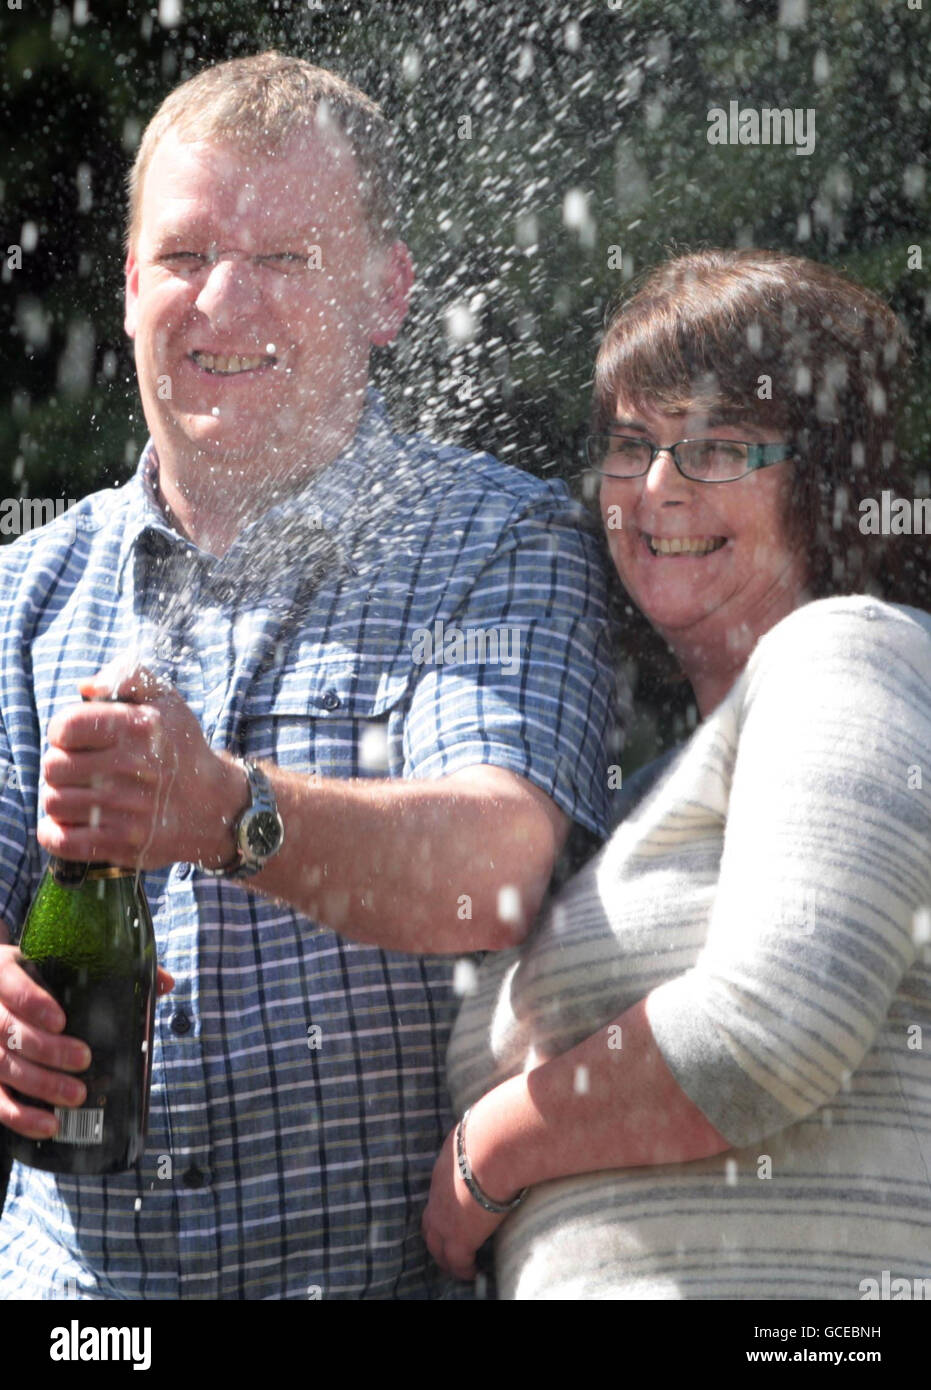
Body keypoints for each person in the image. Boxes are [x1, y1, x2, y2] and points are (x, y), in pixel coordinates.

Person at [0, 52, 618, 1299]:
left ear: (389, 295)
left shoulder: (496, 540)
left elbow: (495, 872)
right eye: (182, 258)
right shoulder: (23, 593)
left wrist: (226, 812)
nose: (223, 302)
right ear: (126, 289)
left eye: (284, 261)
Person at [427, 248, 931, 1299]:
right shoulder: (643, 789)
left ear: (821, 479)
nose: (655, 487)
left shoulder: (849, 651)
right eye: (631, 444)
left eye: (714, 447)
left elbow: (775, 1024)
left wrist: (493, 1150)